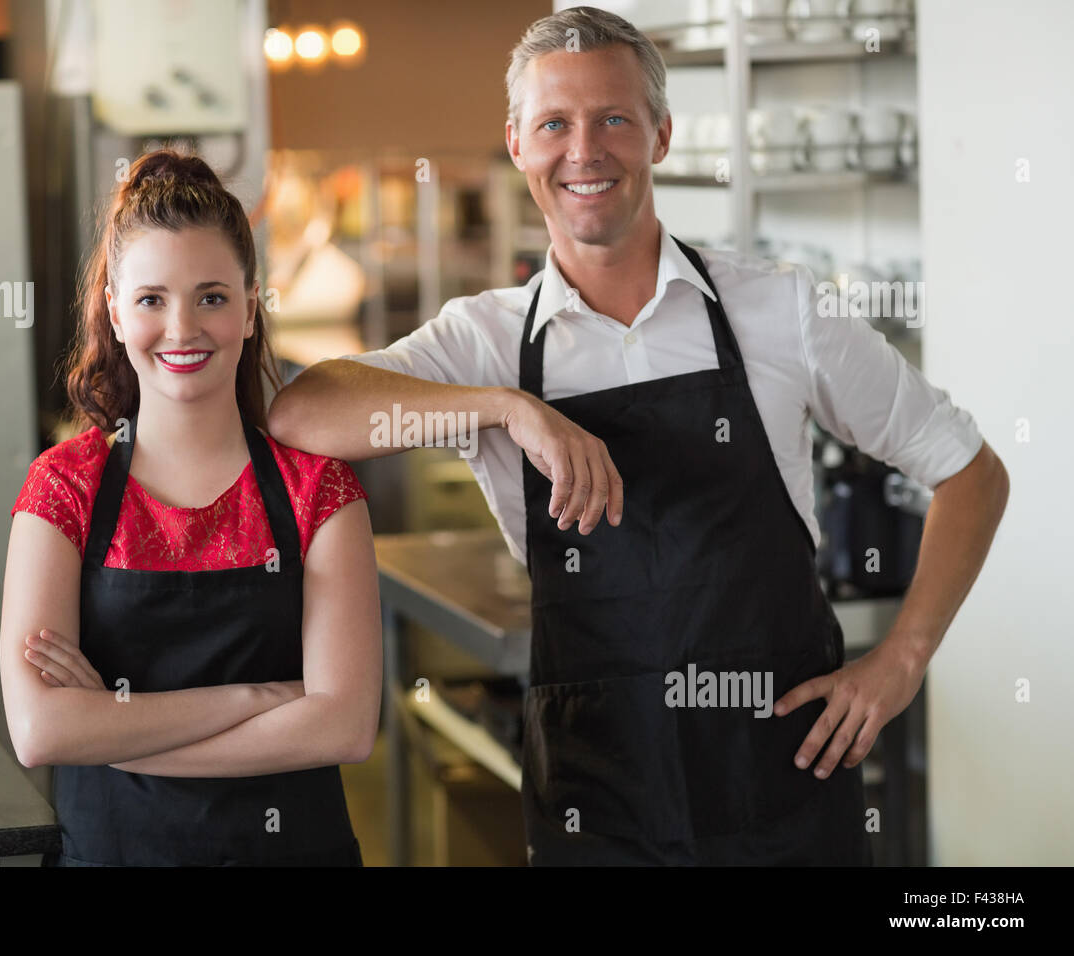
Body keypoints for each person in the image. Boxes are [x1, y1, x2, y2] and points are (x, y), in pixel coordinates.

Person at [268, 7, 1009, 865]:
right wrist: (511, 409)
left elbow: (970, 471)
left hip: (785, 787)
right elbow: (301, 413)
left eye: (613, 119)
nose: (584, 151)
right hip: (599, 803)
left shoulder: (781, 309)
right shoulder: (486, 341)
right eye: (555, 124)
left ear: (660, 134)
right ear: (517, 144)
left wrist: (902, 660)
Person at [0, 148, 381, 866]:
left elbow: (345, 727)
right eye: (151, 299)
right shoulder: (62, 489)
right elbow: (42, 732)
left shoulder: (319, 493)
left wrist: (116, 731)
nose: (182, 329)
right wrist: (260, 699)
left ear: (249, 306)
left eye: (211, 297)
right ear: (114, 311)